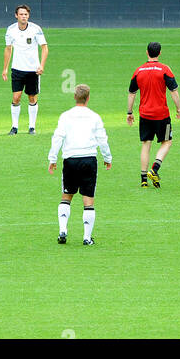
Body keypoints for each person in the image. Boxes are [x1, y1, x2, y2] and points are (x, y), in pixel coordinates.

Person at [49, 84, 112, 245]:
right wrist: (107, 157)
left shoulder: (65, 116)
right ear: (88, 98)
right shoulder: (94, 117)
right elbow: (102, 139)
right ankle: (86, 237)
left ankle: (63, 230)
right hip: (88, 159)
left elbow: (58, 137)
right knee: (88, 200)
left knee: (66, 196)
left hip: (70, 160)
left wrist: (53, 159)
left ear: (74, 97)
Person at [127, 41, 180, 188]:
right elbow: (174, 91)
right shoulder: (165, 69)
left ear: (147, 52)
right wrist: (178, 109)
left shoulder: (138, 71)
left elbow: (131, 93)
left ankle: (144, 180)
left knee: (146, 143)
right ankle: (154, 169)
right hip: (162, 115)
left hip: (145, 114)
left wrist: (129, 112)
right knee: (167, 141)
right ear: (160, 53)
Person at [3, 4, 48, 135]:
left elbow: (44, 48)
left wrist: (42, 66)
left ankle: (32, 127)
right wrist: (5, 68)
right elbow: (8, 49)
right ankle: (14, 127)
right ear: (16, 15)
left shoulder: (36, 29)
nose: (24, 17)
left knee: (32, 98)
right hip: (17, 69)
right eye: (21, 14)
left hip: (33, 70)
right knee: (16, 97)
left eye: (26, 14)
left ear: (28, 16)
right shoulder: (10, 30)